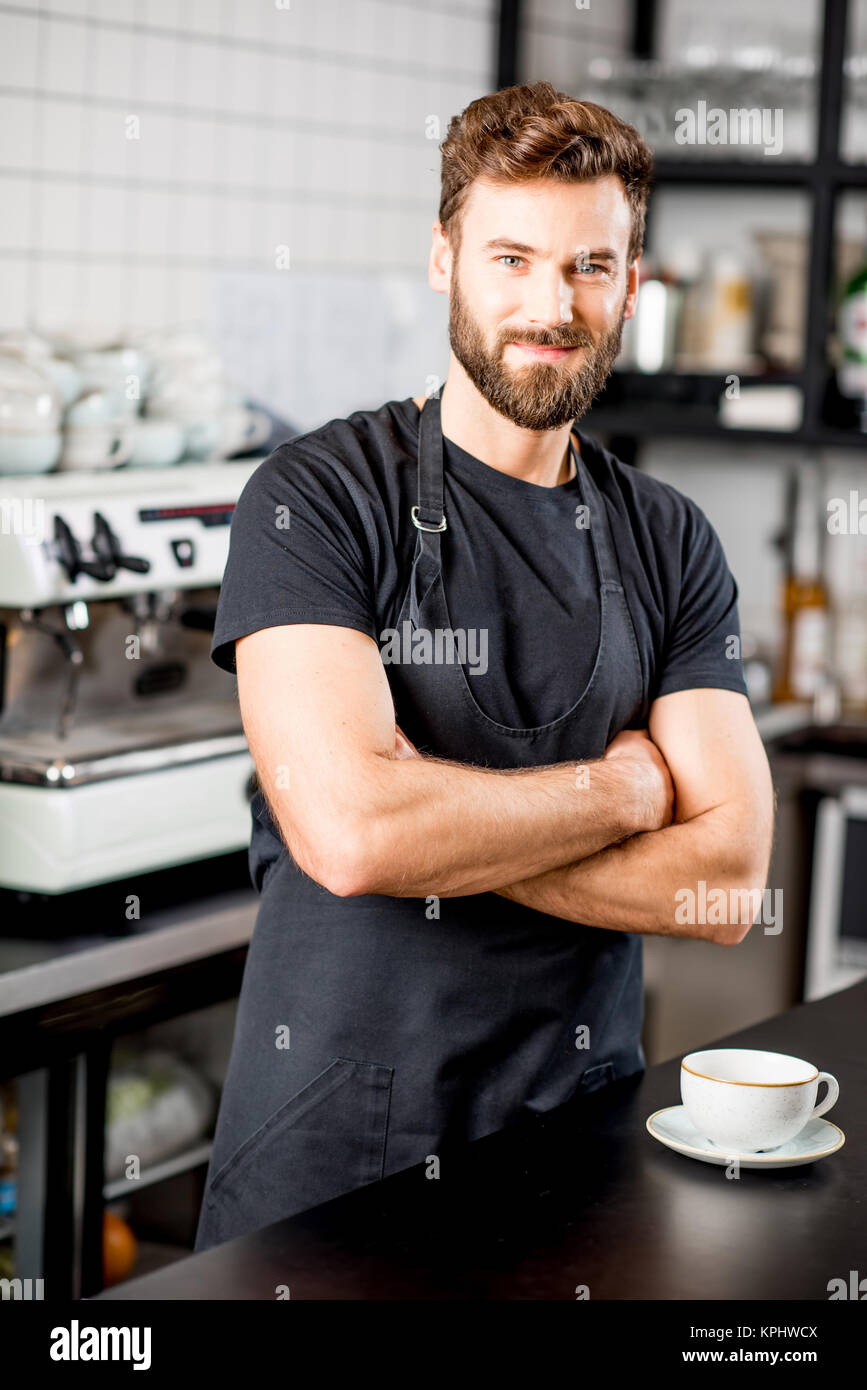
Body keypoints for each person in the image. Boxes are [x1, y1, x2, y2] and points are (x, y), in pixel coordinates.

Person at [194, 82, 774, 1253]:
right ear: (444, 258)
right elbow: (354, 835)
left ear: (631, 285)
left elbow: (725, 884)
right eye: (510, 257)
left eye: (589, 266)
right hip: (332, 1168)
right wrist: (622, 794)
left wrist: (433, 823)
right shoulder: (314, 501)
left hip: (578, 1155)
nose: (548, 305)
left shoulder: (669, 538)